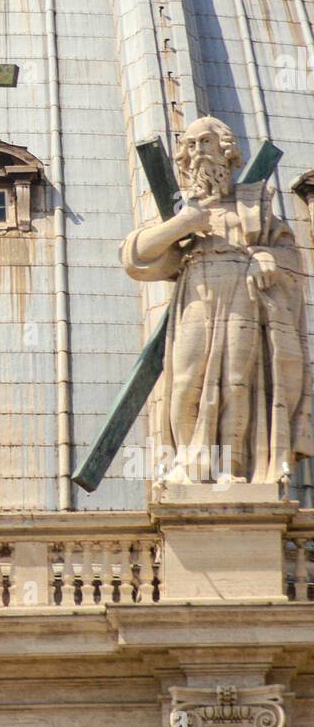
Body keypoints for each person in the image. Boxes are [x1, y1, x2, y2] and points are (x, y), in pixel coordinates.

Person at [121, 117, 314, 486]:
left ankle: (230, 467)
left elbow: (290, 256)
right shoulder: (181, 211)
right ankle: (189, 462)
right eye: (190, 145)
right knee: (185, 380)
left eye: (206, 143)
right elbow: (136, 256)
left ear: (226, 151)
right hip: (196, 296)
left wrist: (265, 257)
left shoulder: (252, 205)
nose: (197, 153)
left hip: (246, 299)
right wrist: (184, 224)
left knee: (237, 381)